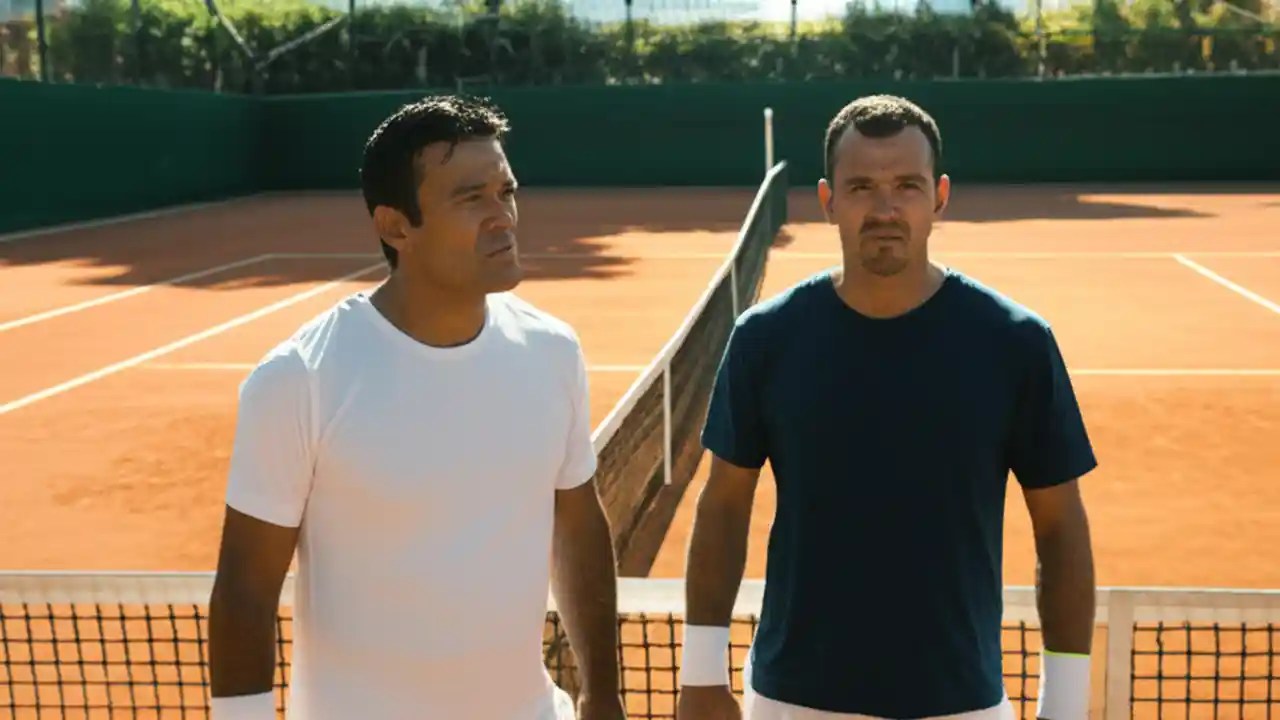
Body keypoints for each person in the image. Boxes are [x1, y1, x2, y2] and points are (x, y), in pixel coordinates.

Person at [676, 95, 1099, 720]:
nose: (884, 208)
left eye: (907, 185)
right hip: (792, 699)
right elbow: (723, 504)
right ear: (827, 202)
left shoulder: (1015, 341)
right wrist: (701, 673)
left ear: (940, 195)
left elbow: (1060, 525)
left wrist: (1065, 702)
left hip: (961, 702)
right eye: (861, 187)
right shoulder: (765, 337)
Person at [207, 95, 627, 720]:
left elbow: (577, 525)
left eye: (506, 191)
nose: (504, 216)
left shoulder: (553, 350)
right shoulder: (299, 379)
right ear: (396, 226)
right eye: (471, 198)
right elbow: (244, 591)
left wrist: (602, 695)